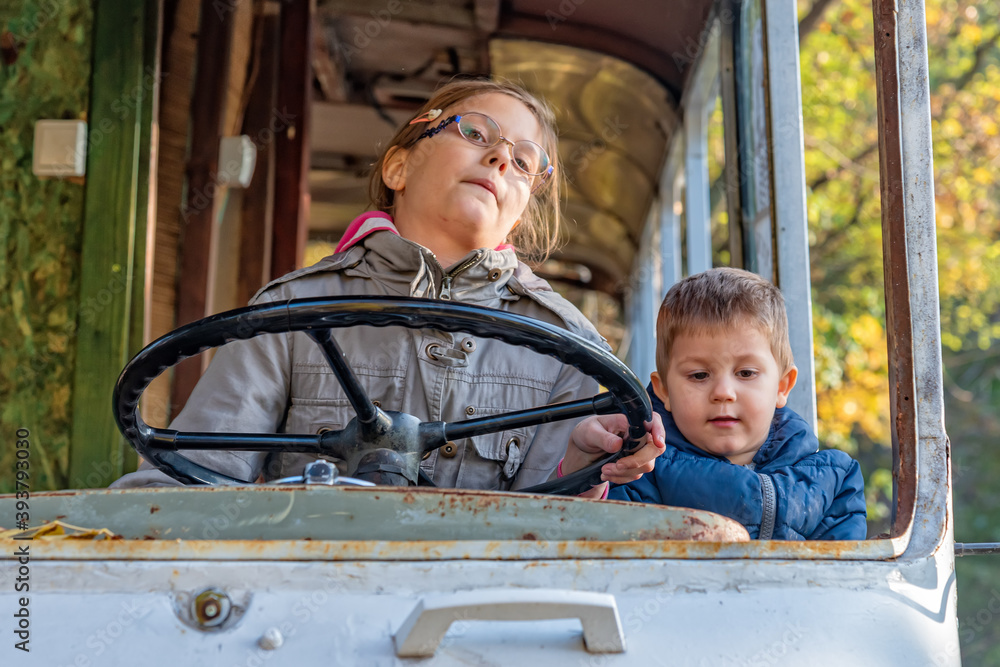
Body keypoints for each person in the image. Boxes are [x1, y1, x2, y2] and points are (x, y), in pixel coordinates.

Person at [112, 78, 663, 492]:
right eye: (476, 132)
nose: (500, 157)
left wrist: (580, 460)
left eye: (524, 161)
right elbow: (195, 479)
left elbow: (544, 527)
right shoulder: (294, 309)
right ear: (398, 168)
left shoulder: (565, 344)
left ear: (517, 216)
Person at [606, 267, 867, 540]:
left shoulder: (833, 482)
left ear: (782, 386)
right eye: (699, 375)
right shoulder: (636, 472)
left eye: (745, 373)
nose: (723, 392)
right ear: (664, 392)